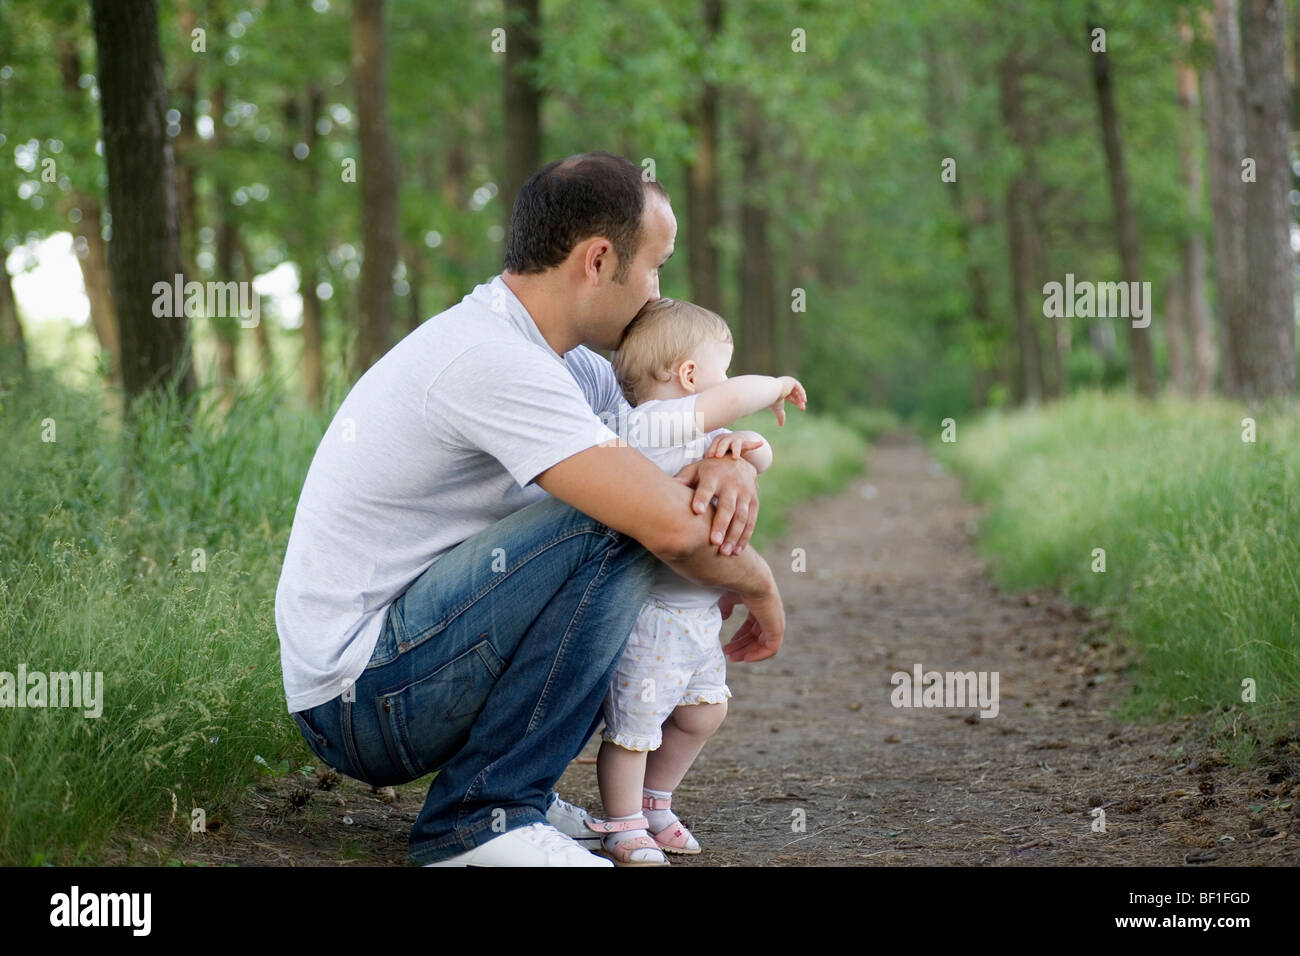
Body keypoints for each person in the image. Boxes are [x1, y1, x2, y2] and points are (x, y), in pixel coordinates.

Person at [274, 151, 786, 867]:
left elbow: (667, 450)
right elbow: (666, 520)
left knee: (629, 506)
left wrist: (730, 462)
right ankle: (481, 820)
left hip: (413, 662)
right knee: (623, 522)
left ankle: (518, 793)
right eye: (655, 267)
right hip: (362, 698)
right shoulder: (494, 359)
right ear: (599, 259)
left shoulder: (569, 360)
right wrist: (759, 585)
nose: (658, 291)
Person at [584, 297, 806, 865]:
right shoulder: (650, 425)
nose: (726, 386)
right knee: (635, 727)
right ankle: (622, 821)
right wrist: (777, 384)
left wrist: (743, 450)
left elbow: (763, 454)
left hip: (700, 614)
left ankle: (656, 801)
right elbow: (731, 399)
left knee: (705, 711)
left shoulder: (698, 431)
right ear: (689, 377)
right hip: (654, 614)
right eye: (721, 369)